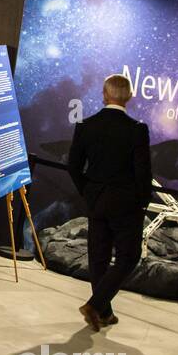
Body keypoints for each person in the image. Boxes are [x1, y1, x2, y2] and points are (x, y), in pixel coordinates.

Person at [68, 74, 152, 331]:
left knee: (98, 258)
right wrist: (142, 202)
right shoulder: (137, 129)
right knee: (129, 256)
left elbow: (73, 166)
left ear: (105, 95)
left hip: (96, 200)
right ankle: (95, 305)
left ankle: (103, 313)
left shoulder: (85, 125)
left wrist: (89, 191)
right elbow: (142, 171)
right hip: (126, 204)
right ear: (128, 97)